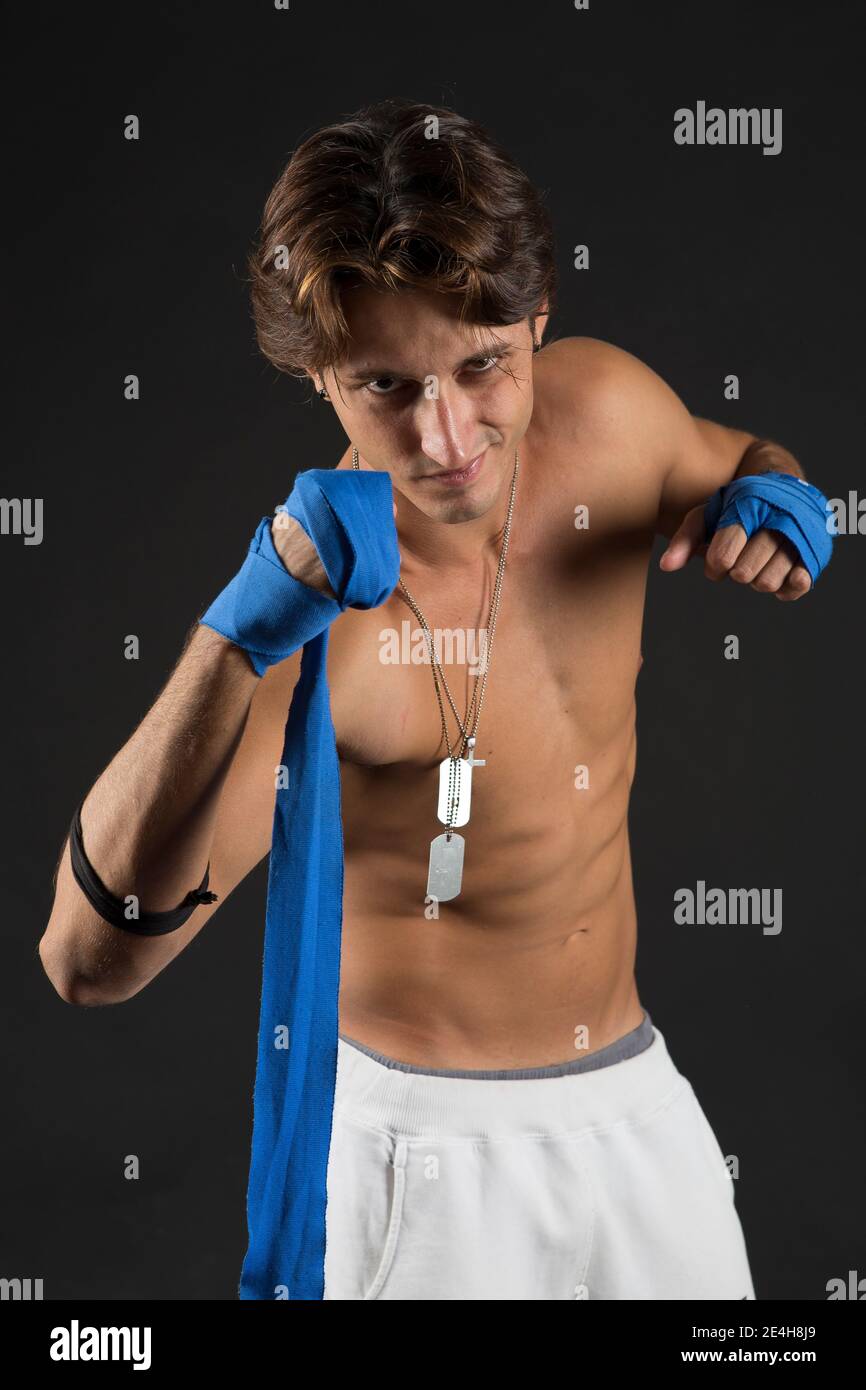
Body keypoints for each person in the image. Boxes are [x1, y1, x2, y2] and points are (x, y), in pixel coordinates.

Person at [39, 98, 826, 1301]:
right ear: (320, 376)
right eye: (385, 387)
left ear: (537, 317)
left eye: (480, 365)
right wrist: (231, 640)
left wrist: (774, 502)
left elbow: (735, 458)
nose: (448, 434)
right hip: (423, 1171)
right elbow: (87, 963)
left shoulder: (609, 415)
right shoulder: (320, 637)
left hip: (633, 1110)